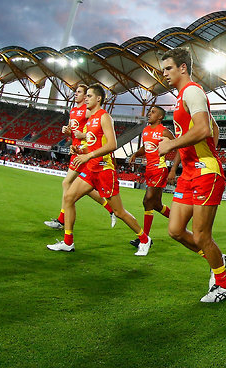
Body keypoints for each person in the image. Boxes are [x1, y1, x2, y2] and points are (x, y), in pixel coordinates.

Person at [156, 48, 226, 304]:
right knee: (176, 230)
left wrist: (172, 144)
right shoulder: (181, 97)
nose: (164, 73)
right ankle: (217, 259)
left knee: (201, 236)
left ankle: (223, 283)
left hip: (205, 173)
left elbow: (203, 128)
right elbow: (214, 126)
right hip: (189, 172)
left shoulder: (192, 91)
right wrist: (177, 141)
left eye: (168, 68)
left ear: (183, 68)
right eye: (163, 68)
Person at [46, 85, 152, 255]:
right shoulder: (90, 120)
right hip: (90, 169)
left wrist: (88, 155)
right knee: (68, 197)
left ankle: (145, 239)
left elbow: (112, 145)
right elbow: (92, 146)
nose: (85, 99)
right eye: (85, 96)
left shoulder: (104, 117)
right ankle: (68, 242)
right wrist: (80, 150)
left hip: (104, 170)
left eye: (89, 96)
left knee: (119, 211)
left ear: (98, 99)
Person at [45, 84, 116, 230]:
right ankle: (111, 210)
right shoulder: (73, 111)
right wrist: (68, 132)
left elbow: (94, 132)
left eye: (79, 92)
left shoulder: (89, 111)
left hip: (85, 153)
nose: (75, 94)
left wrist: (82, 137)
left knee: (67, 184)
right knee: (86, 188)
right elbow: (76, 131)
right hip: (77, 151)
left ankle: (62, 220)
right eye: (75, 92)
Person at [127, 105, 179, 247]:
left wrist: (173, 169)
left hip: (159, 169)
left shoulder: (165, 132)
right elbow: (146, 147)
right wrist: (136, 153)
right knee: (156, 204)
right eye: (149, 112)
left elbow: (180, 147)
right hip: (149, 170)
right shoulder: (145, 130)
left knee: (147, 200)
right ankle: (177, 220)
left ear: (160, 117)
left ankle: (145, 239)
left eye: (153, 112)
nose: (149, 114)